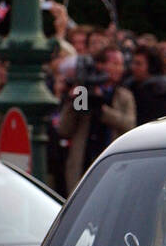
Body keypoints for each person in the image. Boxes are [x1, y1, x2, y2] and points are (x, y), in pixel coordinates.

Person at [55, 46, 136, 192]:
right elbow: (65, 130)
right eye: (115, 64)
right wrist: (74, 102)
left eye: (121, 64)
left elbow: (129, 125)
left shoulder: (124, 96)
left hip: (113, 166)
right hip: (83, 167)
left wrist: (103, 110)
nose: (120, 69)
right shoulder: (84, 93)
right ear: (100, 66)